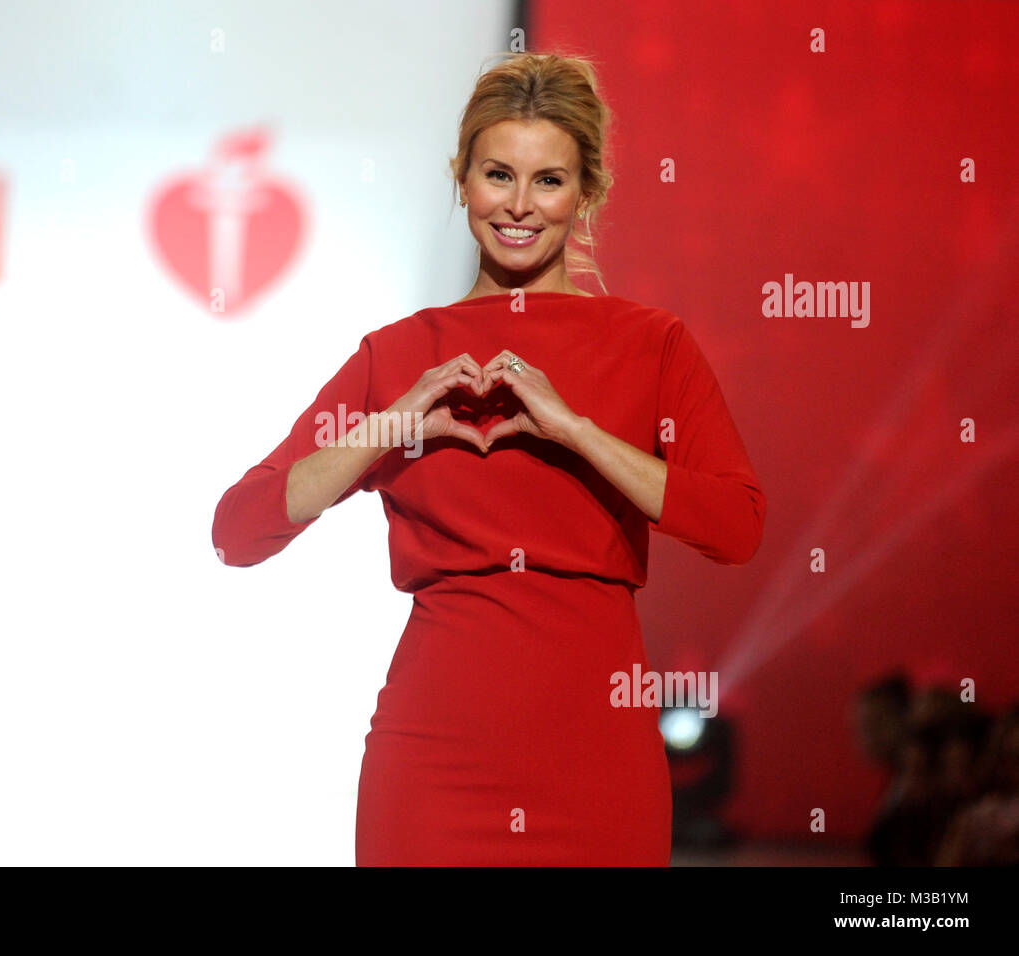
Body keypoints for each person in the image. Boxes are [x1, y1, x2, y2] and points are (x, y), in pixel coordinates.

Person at [212, 52, 766, 865]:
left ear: (587, 192)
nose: (518, 205)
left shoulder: (652, 347)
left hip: (595, 754)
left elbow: (737, 526)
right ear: (461, 178)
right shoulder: (402, 354)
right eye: (497, 174)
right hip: (434, 757)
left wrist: (575, 430)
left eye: (548, 180)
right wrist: (392, 423)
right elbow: (238, 530)